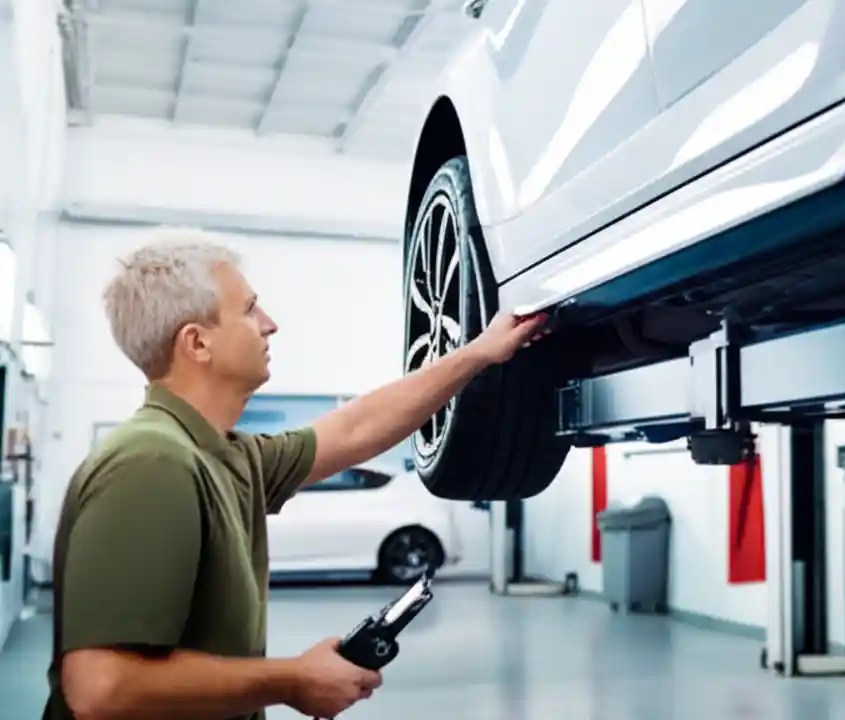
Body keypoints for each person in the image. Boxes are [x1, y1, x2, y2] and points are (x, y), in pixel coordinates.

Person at [43, 228, 547, 720]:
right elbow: (100, 688)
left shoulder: (225, 455)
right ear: (197, 343)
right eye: (248, 309)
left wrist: (481, 351)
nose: (269, 324)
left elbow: (355, 429)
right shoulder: (150, 462)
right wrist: (293, 679)